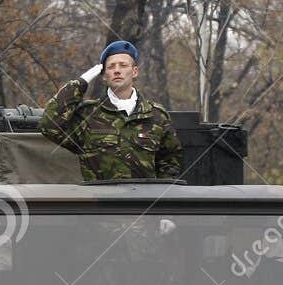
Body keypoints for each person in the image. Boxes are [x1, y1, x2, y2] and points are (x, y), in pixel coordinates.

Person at [41, 40, 184, 181]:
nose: (117, 70)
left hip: (143, 201)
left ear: (134, 72)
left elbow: (170, 163)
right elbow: (49, 125)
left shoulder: (156, 115)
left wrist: (159, 198)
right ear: (104, 75)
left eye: (123, 65)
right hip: (100, 201)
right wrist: (81, 82)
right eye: (110, 67)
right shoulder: (88, 114)